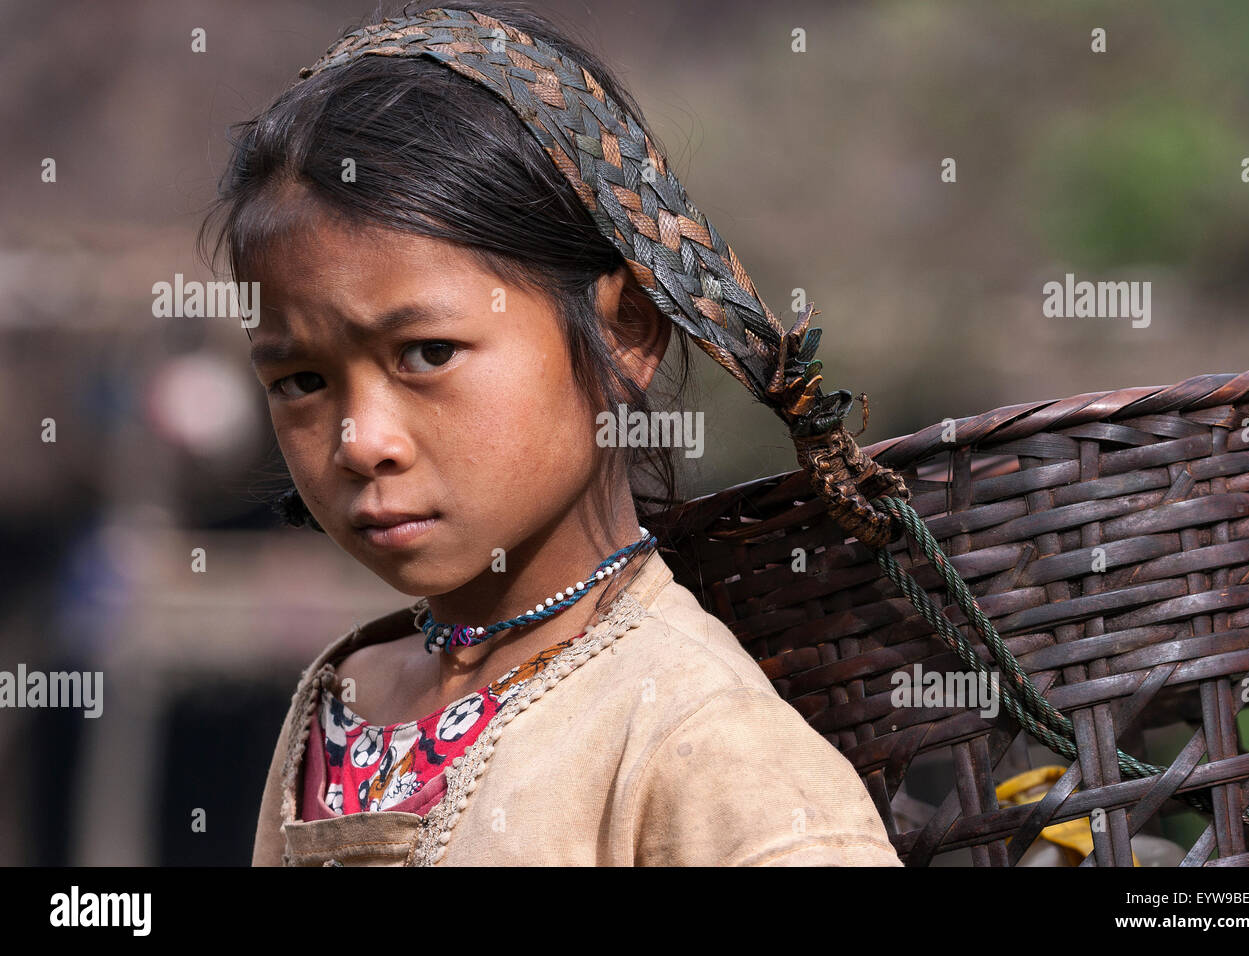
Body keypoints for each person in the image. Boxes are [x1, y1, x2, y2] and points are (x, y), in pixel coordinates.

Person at [202, 1, 902, 866]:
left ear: (628, 332)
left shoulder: (705, 742)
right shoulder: (344, 700)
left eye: (426, 352)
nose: (361, 441)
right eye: (301, 380)